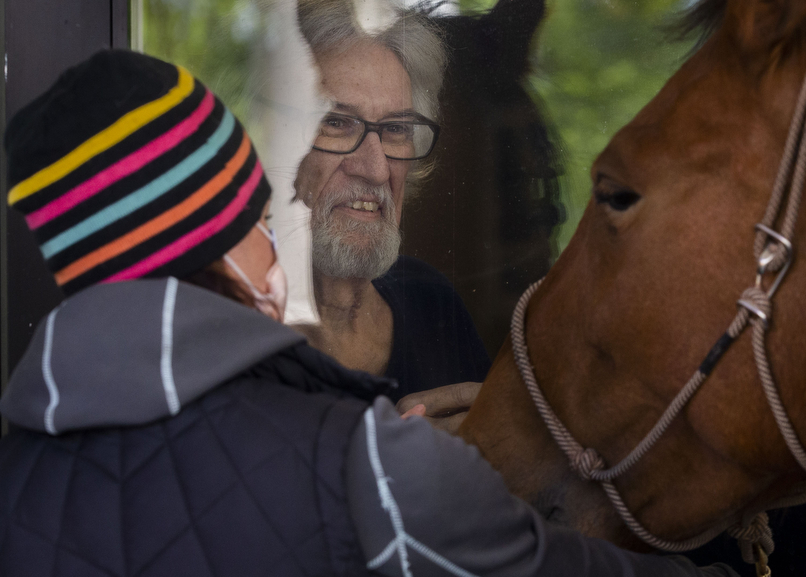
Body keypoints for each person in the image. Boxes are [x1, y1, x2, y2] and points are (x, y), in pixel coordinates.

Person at [0, 49, 736, 577]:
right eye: (253, 223)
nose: (375, 165)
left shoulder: (16, 481)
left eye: (398, 131)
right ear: (220, 254)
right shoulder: (372, 465)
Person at [291, 0, 491, 420]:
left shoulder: (431, 303)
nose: (375, 168)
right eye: (338, 123)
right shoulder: (246, 336)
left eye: (397, 130)